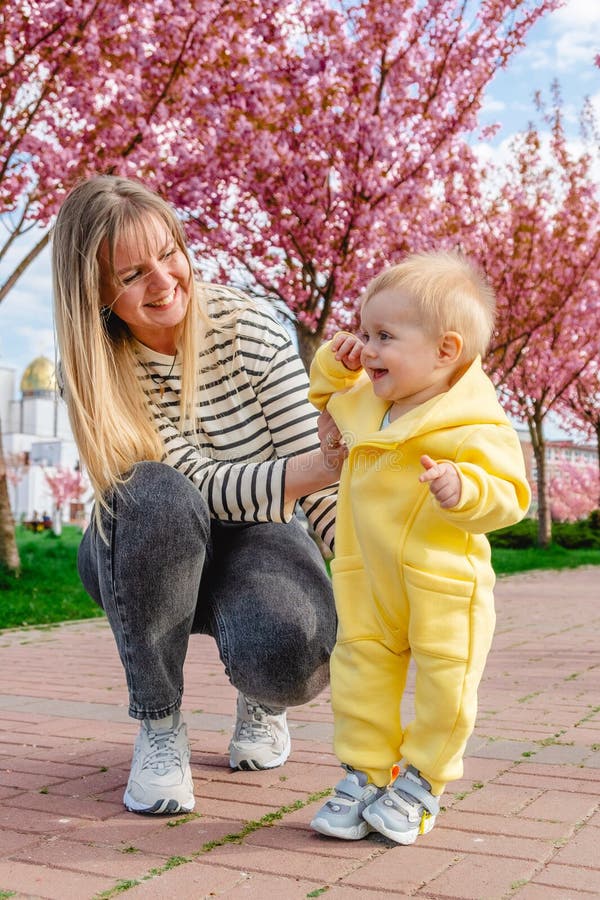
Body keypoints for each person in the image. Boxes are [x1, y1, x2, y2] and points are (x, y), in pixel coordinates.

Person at [51, 175, 345, 816]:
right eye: (130, 275)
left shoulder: (251, 330)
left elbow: (323, 476)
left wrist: (366, 575)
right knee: (154, 491)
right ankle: (160, 726)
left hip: (261, 531)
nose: (162, 283)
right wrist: (314, 470)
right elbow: (205, 485)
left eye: (169, 254)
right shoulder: (98, 371)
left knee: (288, 650)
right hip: (149, 539)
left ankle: (263, 696)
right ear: (96, 291)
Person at [308, 250, 531, 844]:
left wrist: (466, 489)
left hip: (443, 585)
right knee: (361, 673)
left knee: (446, 685)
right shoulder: (368, 402)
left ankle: (424, 781)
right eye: (363, 332)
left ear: (446, 351)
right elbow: (325, 392)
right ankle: (363, 772)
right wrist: (338, 359)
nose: (368, 347)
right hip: (367, 577)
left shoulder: (476, 425)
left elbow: (511, 495)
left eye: (384, 335)